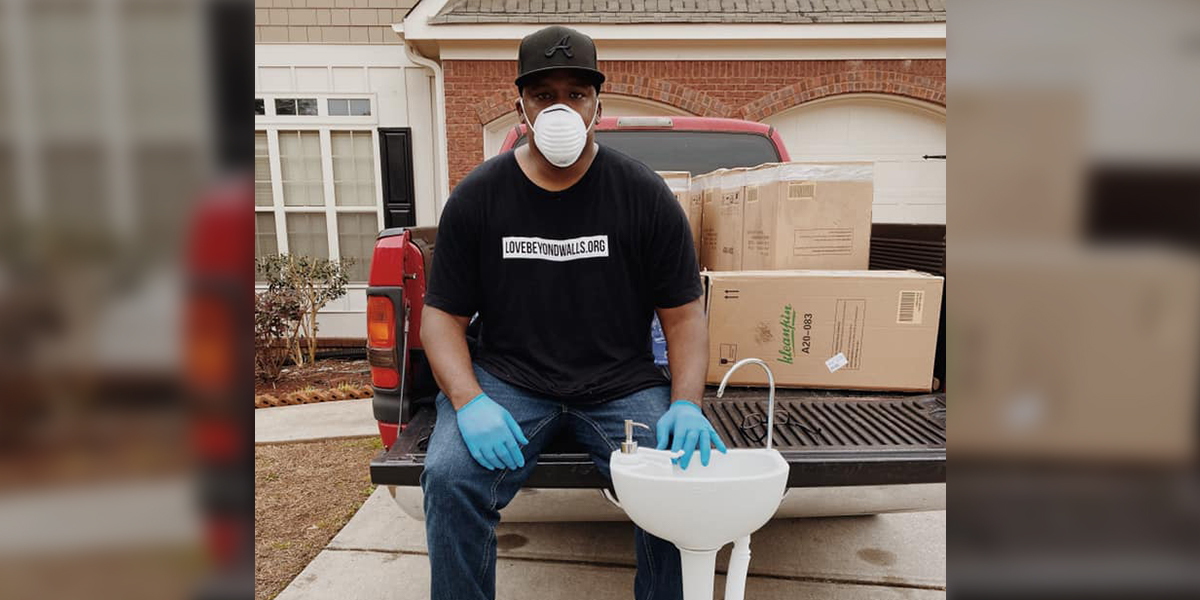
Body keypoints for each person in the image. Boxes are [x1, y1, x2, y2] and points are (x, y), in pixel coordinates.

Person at [419, 25, 727, 600]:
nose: (560, 107)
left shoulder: (642, 195)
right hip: (508, 379)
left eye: (575, 93)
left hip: (618, 384)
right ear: (521, 108)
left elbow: (684, 316)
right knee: (450, 475)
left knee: (676, 484)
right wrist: (469, 401)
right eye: (543, 95)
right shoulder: (479, 196)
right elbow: (442, 318)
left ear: (597, 106)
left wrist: (687, 404)